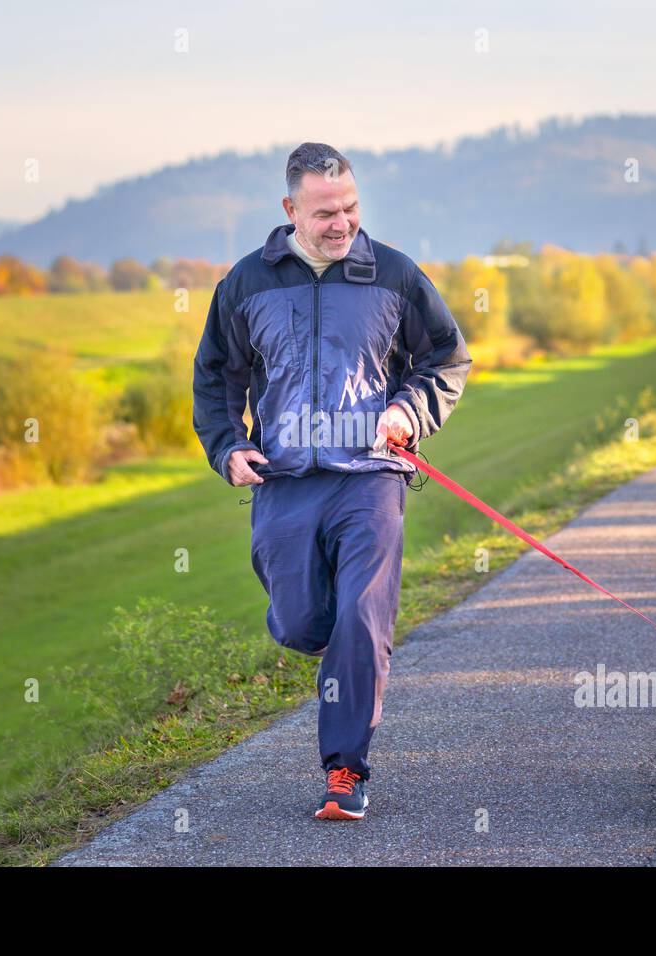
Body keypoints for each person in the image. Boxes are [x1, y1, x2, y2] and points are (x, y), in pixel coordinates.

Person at [192, 142, 471, 819]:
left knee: (361, 616)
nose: (341, 223)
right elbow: (216, 376)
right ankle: (331, 647)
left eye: (350, 207)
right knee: (299, 622)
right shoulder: (246, 283)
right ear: (291, 211)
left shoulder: (395, 275)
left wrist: (408, 409)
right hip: (284, 479)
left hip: (370, 476)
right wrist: (228, 446)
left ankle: (345, 770)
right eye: (324, 213)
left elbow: (446, 359)